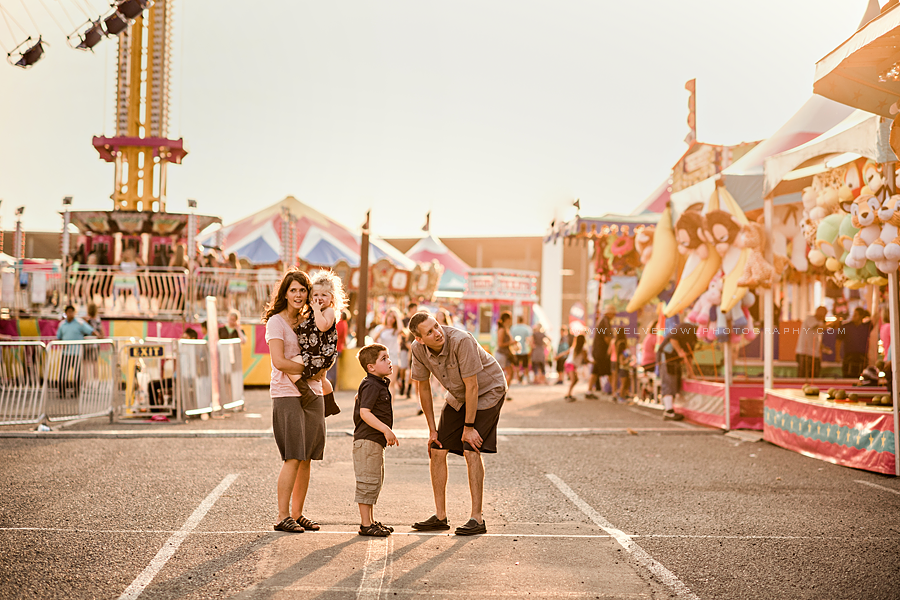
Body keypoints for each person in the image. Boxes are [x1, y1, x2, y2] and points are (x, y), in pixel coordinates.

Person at [408, 312, 507, 536]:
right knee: (437, 448)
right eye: (430, 332)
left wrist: (469, 427)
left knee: (470, 448)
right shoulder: (417, 349)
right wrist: (432, 430)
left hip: (487, 390)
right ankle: (440, 516)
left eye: (437, 326)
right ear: (420, 339)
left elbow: (473, 386)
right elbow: (423, 388)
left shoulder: (462, 340)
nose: (437, 332)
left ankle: (477, 518)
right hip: (459, 393)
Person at [263, 268, 326, 534]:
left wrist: (315, 368)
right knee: (293, 455)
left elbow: (325, 350)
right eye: (294, 290)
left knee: (308, 456)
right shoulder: (275, 322)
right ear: (285, 293)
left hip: (314, 392)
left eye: (303, 290)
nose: (298, 295)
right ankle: (282, 516)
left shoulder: (311, 319)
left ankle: (298, 514)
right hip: (286, 393)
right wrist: (310, 367)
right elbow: (278, 362)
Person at [287, 270, 347, 416]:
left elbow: (322, 326)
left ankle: (305, 392)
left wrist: (317, 310)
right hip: (313, 351)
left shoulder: (328, 312)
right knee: (322, 378)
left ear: (332, 298)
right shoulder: (314, 311)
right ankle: (330, 403)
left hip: (322, 353)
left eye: (324, 295)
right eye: (316, 295)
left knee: (289, 365)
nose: (319, 298)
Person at [353, 343, 398, 537]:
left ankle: (370, 521)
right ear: (371, 367)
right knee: (367, 481)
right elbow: (365, 412)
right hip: (367, 441)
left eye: (388, 357)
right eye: (383, 359)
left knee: (374, 481)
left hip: (374, 442)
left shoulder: (377, 383)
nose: (389, 362)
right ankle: (365, 524)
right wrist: (385, 429)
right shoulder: (371, 384)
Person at [658, 316, 694, 421]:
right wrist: (679, 352)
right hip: (666, 357)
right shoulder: (687, 327)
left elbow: (689, 355)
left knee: (675, 383)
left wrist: (689, 372)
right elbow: (673, 338)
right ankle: (669, 411)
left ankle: (670, 409)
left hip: (675, 361)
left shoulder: (694, 337)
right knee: (668, 381)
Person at [56, 305, 95, 397]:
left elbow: (91, 330)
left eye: (72, 312)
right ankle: (61, 393)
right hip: (66, 353)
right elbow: (58, 337)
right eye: (68, 312)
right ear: (66, 313)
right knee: (63, 374)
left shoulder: (79, 323)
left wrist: (100, 336)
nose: (70, 314)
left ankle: (76, 393)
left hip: (77, 353)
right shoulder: (62, 325)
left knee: (77, 375)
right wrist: (61, 344)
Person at [373, 307, 405, 396]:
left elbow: (400, 329)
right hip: (382, 358)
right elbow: (374, 339)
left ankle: (391, 406)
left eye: (393, 317)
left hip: (393, 358)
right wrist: (383, 329)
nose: (391, 319)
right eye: (390, 316)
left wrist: (397, 315)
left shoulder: (395, 331)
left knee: (391, 382)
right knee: (381, 383)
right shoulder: (380, 328)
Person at [586, 304, 615, 400]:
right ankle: (615, 393)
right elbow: (607, 338)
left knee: (596, 371)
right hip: (602, 351)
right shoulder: (605, 321)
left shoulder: (603, 320)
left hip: (598, 351)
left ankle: (589, 390)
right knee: (609, 372)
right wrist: (611, 346)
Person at [836, 307, 873, 379]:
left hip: (862, 356)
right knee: (847, 377)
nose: (853, 316)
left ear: (861, 316)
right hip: (849, 356)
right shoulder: (844, 326)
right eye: (853, 314)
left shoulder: (867, 326)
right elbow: (838, 340)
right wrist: (837, 355)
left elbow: (876, 317)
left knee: (863, 378)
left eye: (856, 315)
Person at [796, 306, 827, 379]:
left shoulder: (820, 322)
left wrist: (822, 347)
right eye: (824, 314)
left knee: (815, 376)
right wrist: (832, 324)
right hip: (805, 352)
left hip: (815, 354)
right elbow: (819, 328)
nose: (824, 316)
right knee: (804, 376)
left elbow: (816, 337)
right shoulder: (810, 319)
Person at [563, 334, 590, 402]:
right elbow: (586, 360)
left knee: (575, 380)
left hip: (568, 364)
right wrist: (593, 362)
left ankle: (568, 394)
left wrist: (557, 357)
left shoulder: (574, 347)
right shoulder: (582, 349)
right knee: (573, 380)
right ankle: (568, 395)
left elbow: (565, 353)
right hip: (570, 365)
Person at [401, 301, 419, 399]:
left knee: (412, 369)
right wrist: (407, 344)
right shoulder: (404, 321)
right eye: (413, 309)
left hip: (414, 347)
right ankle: (403, 384)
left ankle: (408, 389)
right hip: (405, 347)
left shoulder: (417, 321)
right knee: (403, 367)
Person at [509, 315, 532, 383]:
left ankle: (518, 378)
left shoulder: (513, 328)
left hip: (516, 350)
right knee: (525, 365)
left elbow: (511, 339)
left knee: (516, 365)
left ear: (518, 320)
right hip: (524, 350)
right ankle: (526, 378)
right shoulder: (526, 328)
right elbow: (528, 339)